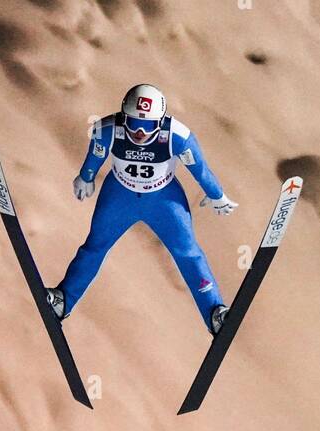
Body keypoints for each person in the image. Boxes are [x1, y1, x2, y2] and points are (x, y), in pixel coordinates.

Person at [47, 84, 237, 335]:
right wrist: (86, 177)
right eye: (134, 123)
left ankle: (215, 312)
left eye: (146, 126)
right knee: (94, 247)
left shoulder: (176, 135)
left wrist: (217, 195)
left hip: (164, 200)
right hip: (119, 195)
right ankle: (63, 300)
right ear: (124, 116)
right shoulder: (107, 129)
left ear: (160, 121)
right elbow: (95, 155)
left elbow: (199, 169)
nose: (138, 132)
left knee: (188, 254)